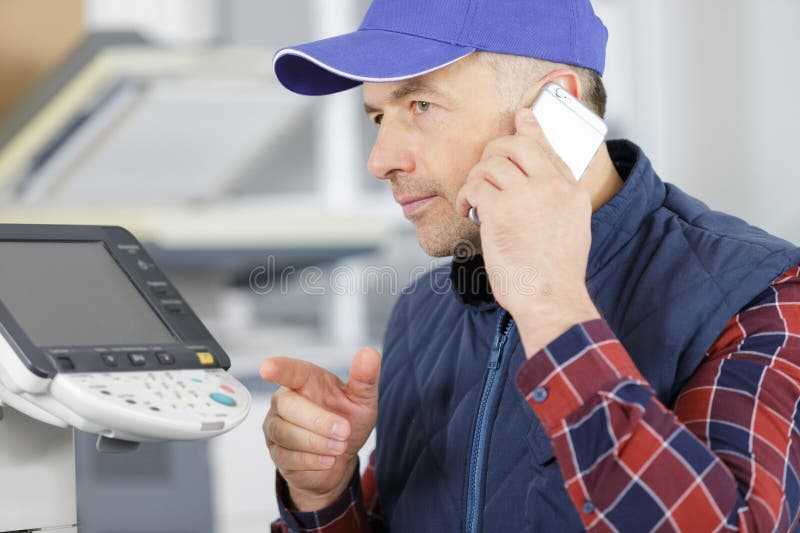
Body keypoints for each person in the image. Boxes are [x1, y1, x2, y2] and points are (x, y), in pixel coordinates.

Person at [261, 0, 800, 531]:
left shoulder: (764, 296)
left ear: (554, 107)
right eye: (380, 116)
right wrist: (323, 497)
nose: (380, 160)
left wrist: (551, 305)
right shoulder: (422, 311)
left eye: (421, 105)